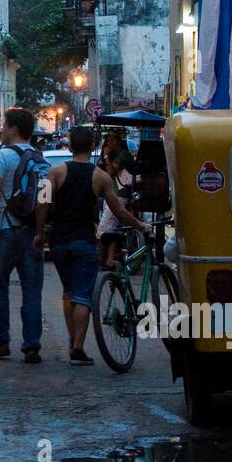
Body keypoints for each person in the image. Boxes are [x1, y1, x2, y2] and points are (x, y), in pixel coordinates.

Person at [37, 127, 150, 365]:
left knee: (68, 292)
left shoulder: (54, 173)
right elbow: (119, 211)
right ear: (92, 147)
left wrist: (39, 234)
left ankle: (73, 338)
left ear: (69, 146)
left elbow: (42, 203)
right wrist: (141, 225)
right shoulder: (101, 177)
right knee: (83, 296)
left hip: (59, 241)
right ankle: (77, 348)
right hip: (84, 240)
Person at [0, 107, 50, 363]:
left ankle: (0, 340)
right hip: (32, 230)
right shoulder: (39, 157)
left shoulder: (3, 156)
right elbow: (46, 197)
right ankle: (32, 346)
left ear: (13, 129)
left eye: (4, 124)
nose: (1, 128)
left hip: (6, 229)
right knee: (32, 291)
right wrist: (41, 231)